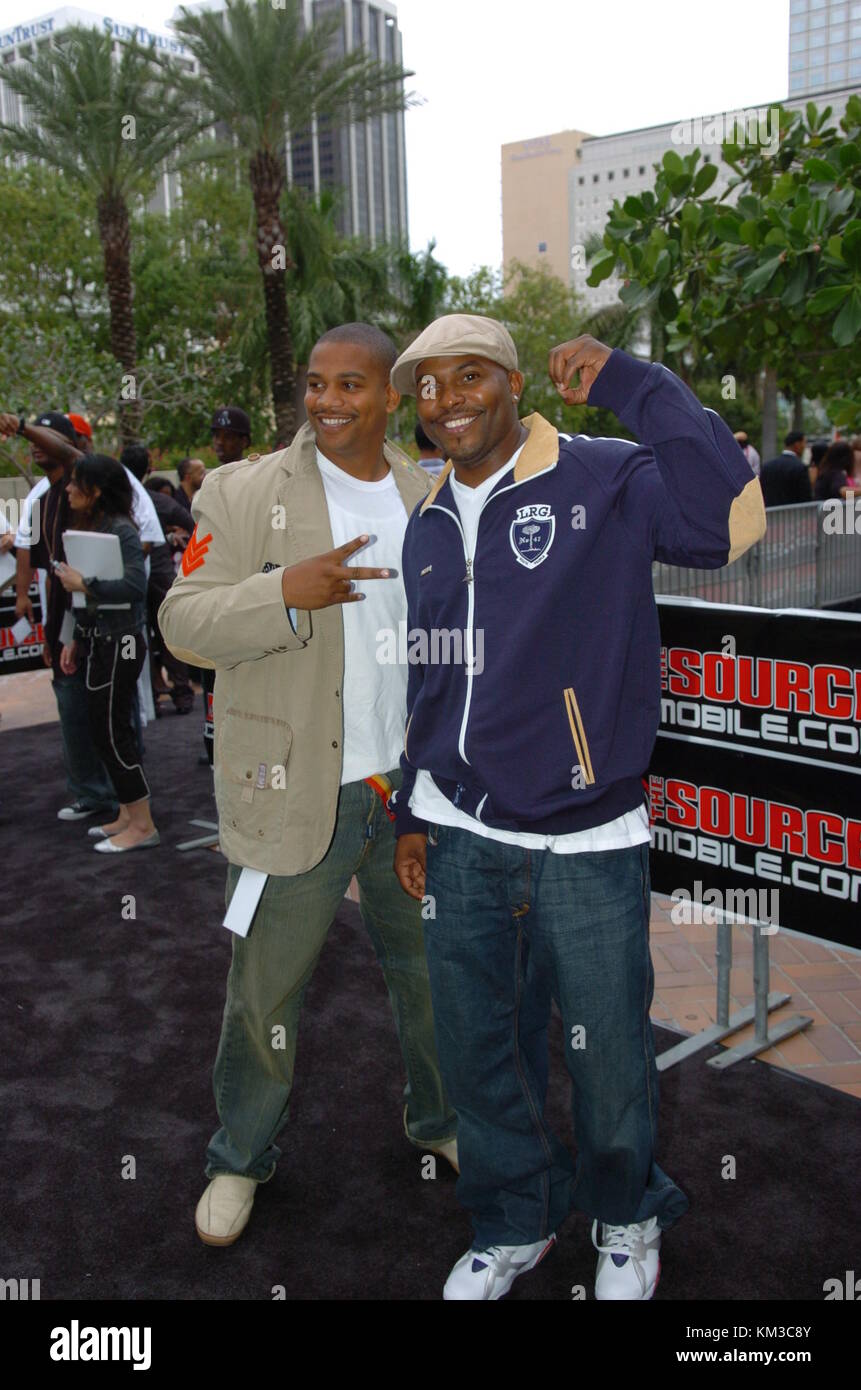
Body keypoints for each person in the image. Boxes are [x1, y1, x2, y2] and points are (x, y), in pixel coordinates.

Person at [387, 313, 766, 1301]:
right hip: (461, 833)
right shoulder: (426, 517)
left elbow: (731, 522)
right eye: (426, 385)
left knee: (606, 1059)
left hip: (585, 833)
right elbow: (432, 675)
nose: (447, 400)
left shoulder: (603, 474)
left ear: (514, 384)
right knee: (481, 1053)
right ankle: (516, 1222)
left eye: (469, 375)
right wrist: (413, 810)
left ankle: (628, 1217)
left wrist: (639, 384)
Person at [159, 324, 457, 1249]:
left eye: (351, 385)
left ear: (390, 397)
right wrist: (282, 590)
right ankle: (239, 1158)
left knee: (435, 980)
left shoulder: (432, 491)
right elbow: (182, 623)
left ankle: (442, 1125)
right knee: (264, 995)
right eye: (316, 384)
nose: (328, 402)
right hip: (296, 790)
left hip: (410, 791)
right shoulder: (243, 490)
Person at [2, 410, 165, 818]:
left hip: (119, 633)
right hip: (84, 628)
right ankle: (108, 801)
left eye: (47, 438)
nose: (36, 446)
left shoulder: (111, 513)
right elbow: (28, 548)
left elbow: (131, 585)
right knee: (88, 718)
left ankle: (133, 809)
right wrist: (62, 628)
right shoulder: (48, 498)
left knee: (116, 724)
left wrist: (20, 426)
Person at [54, 455, 158, 853]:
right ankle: (129, 814)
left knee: (115, 733)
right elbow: (81, 596)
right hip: (102, 641)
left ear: (95, 491)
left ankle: (143, 823)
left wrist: (86, 582)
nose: (67, 490)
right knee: (105, 731)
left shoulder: (120, 529)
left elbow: (134, 586)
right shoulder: (95, 527)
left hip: (122, 642)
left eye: (75, 483)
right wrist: (71, 638)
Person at [121, 446, 194, 715]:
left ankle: (152, 695)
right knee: (167, 635)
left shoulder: (123, 501)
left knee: (142, 637)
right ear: (148, 469)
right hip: (160, 576)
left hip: (138, 577)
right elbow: (194, 523)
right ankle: (182, 693)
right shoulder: (159, 502)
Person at [759, 430, 812, 507]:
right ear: (797, 444)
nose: (804, 446)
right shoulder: (800, 468)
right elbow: (805, 497)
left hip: (770, 514)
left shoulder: (767, 466)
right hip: (793, 515)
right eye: (804, 443)